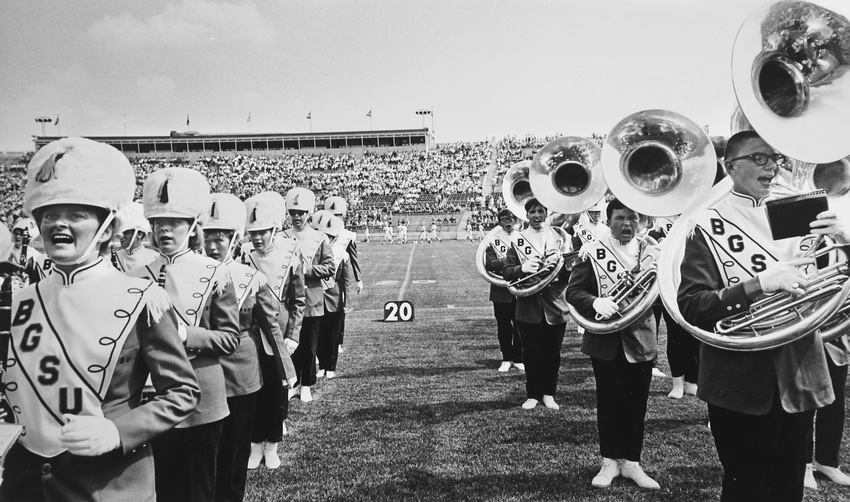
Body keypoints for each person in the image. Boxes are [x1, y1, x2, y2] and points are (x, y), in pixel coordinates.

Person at [0, 137, 200, 501]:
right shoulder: (18, 301)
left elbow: (183, 392)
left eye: (76, 214)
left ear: (108, 228)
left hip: (108, 484)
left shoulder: (143, 299)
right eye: (47, 214)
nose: (57, 224)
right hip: (24, 485)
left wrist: (118, 432)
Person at [677, 130, 847, 502]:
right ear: (730, 166)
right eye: (758, 158)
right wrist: (758, 283)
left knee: (788, 488)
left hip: (798, 370)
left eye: (774, 158)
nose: (771, 166)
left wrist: (845, 240)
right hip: (738, 380)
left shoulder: (800, 211)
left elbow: (838, 282)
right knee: (746, 486)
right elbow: (692, 305)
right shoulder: (705, 223)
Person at [131, 167, 240, 502]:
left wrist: (184, 333)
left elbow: (229, 338)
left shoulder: (216, 274)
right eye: (158, 222)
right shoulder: (133, 275)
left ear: (193, 227)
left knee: (197, 490)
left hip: (199, 401)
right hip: (148, 401)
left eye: (174, 222)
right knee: (158, 489)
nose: (164, 230)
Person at [566, 198, 661, 490]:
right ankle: (609, 461)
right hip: (605, 342)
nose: (627, 224)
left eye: (633, 218)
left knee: (636, 404)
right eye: (620, 218)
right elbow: (573, 292)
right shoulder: (592, 252)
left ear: (641, 221)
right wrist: (595, 301)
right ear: (609, 220)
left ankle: (632, 462)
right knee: (608, 403)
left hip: (641, 338)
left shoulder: (652, 252)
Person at [204, 193, 289, 501]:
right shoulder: (189, 274)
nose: (212, 246)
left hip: (240, 373)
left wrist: (286, 370)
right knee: (204, 452)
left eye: (220, 239)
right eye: (207, 238)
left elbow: (270, 325)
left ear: (234, 239)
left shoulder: (251, 277)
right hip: (201, 373)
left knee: (236, 449)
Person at [243, 191, 305, 470]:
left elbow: (299, 300)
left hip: (279, 335)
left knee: (277, 393)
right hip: (250, 336)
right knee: (253, 391)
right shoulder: (243, 254)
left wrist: (292, 335)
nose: (257, 238)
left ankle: (272, 446)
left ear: (274, 230)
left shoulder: (291, 252)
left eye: (263, 232)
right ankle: (255, 445)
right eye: (252, 233)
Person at [502, 199, 570, 410]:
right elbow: (506, 272)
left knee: (552, 354)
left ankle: (549, 393)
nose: (537, 215)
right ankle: (532, 394)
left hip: (554, 306)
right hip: (528, 307)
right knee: (530, 354)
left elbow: (571, 270)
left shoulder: (559, 237)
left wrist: (565, 265)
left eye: (540, 211)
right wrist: (522, 268)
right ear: (527, 215)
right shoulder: (518, 240)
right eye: (532, 212)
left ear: (546, 213)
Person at [284, 187, 335, 403]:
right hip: (288, 301)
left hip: (312, 300)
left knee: (308, 345)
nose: (297, 217)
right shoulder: (282, 236)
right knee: (289, 344)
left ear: (309, 213)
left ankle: (306, 385)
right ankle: (292, 383)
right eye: (293, 212)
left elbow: (330, 266)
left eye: (301, 212)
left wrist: (308, 271)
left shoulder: (319, 238)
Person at [804, 335, 850, 490]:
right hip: (803, 343)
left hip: (835, 342)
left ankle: (827, 462)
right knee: (804, 405)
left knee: (835, 405)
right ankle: (804, 464)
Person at [484, 209, 523, 372]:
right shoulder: (492, 240)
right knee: (504, 326)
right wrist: (510, 262)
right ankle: (506, 358)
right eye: (505, 218)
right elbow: (490, 263)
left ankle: (519, 358)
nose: (509, 221)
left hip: (522, 286)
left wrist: (505, 263)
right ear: (499, 221)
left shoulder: (523, 237)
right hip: (501, 289)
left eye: (512, 218)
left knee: (521, 325)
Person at [111, 201, 158, 273]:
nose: (121, 236)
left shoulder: (155, 258)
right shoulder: (112, 258)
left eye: (125, 232)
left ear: (139, 234)